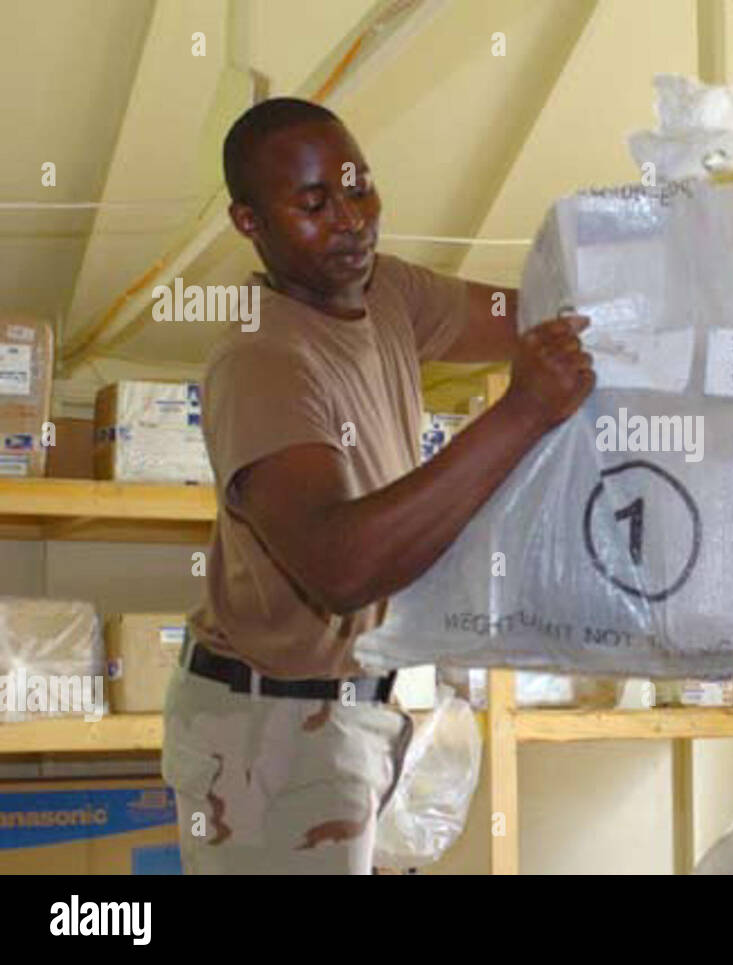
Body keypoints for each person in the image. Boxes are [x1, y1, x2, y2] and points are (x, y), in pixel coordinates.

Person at [160, 97, 594, 873]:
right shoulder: (262, 360)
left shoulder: (387, 293)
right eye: (313, 203)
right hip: (268, 740)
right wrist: (523, 409)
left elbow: (530, 314)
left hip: (346, 715)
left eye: (358, 188)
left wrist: (643, 289)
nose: (351, 219)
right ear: (249, 223)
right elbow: (341, 564)